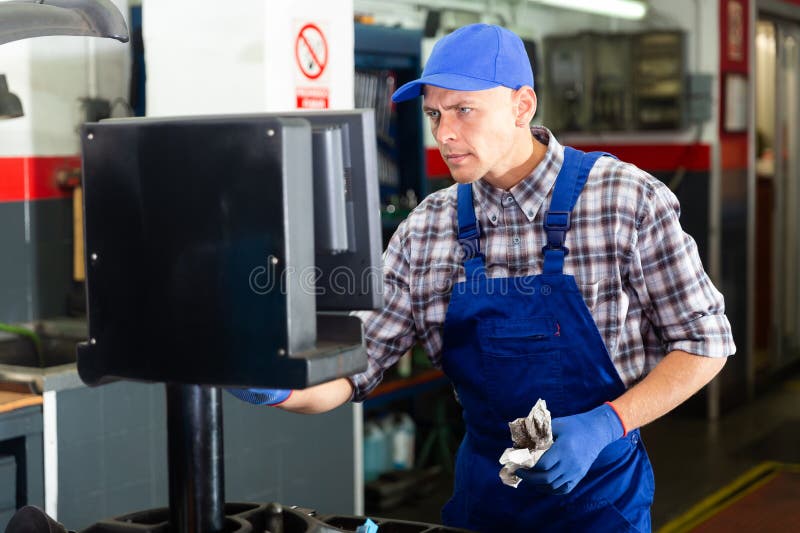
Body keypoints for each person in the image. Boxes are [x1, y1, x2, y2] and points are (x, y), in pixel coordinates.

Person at [228, 23, 735, 532]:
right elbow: (355, 367)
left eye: (464, 110)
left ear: (522, 106)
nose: (445, 133)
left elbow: (705, 342)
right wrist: (280, 385)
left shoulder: (624, 200)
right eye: (434, 114)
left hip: (601, 506)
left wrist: (608, 423)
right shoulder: (426, 230)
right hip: (484, 507)